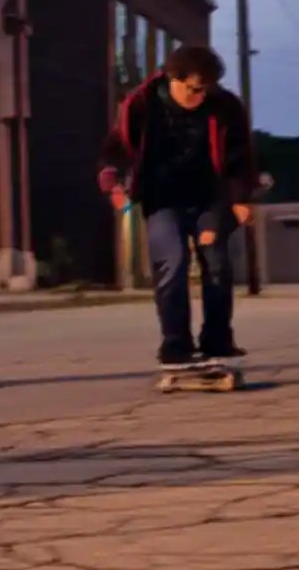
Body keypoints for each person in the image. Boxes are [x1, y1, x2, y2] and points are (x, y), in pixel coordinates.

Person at [97, 44, 257, 366]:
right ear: (174, 78)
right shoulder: (140, 104)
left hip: (211, 197)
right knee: (171, 262)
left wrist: (240, 199)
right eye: (194, 89)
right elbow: (117, 145)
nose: (200, 97)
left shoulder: (225, 106)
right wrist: (112, 180)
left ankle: (217, 340)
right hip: (162, 198)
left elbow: (241, 157)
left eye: (206, 90)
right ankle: (175, 343)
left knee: (216, 263)